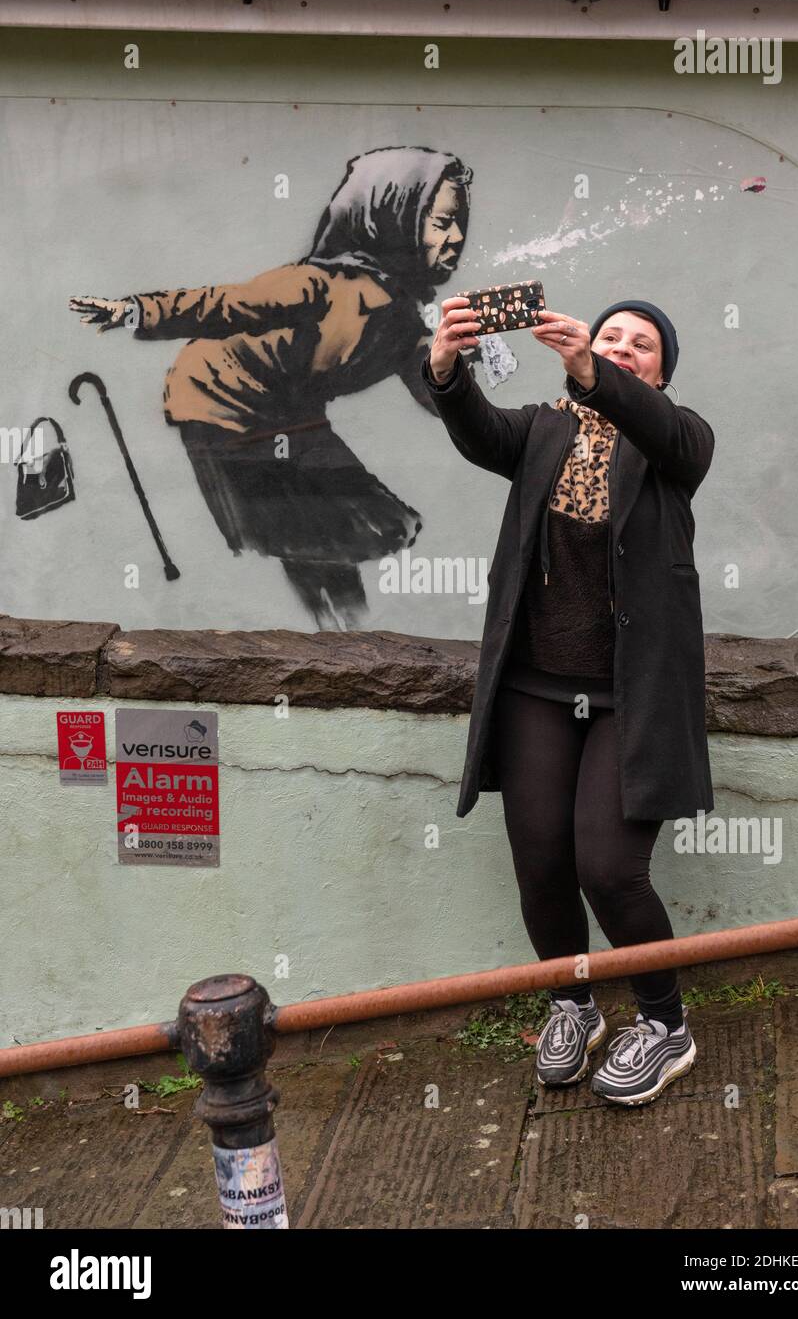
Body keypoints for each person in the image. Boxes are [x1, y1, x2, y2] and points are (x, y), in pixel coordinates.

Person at [420, 295, 715, 1107]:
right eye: (610, 334)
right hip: (537, 689)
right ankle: (573, 1004)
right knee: (542, 863)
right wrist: (447, 366)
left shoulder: (678, 440)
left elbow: (663, 432)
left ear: (662, 369)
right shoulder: (544, 429)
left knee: (611, 869)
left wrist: (593, 370)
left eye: (640, 344)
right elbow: (479, 430)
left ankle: (664, 1023)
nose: (623, 347)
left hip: (632, 697)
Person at [69, 147, 472, 630]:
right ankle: (331, 632)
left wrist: (462, 364)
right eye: (444, 222)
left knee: (375, 524)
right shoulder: (319, 284)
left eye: (460, 223)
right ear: (392, 215)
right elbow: (223, 305)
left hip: (294, 414)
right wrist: (134, 311)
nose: (457, 238)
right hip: (223, 404)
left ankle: (343, 638)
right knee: (309, 526)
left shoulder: (407, 316)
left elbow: (435, 395)